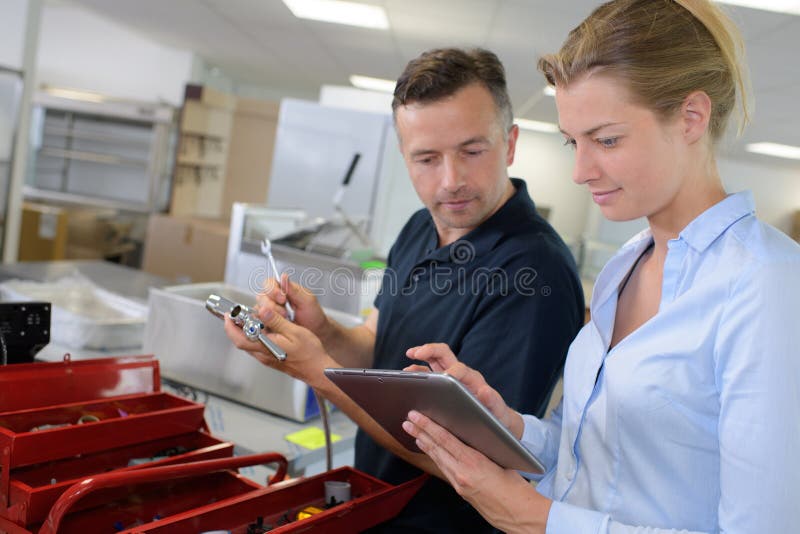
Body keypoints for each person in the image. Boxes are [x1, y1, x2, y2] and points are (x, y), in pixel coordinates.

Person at [397, 1, 800, 533]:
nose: (581, 171)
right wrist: (505, 423)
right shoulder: (625, 266)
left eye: (607, 140)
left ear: (691, 117)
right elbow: (586, 454)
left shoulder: (768, 285)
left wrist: (536, 521)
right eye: (574, 142)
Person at [227, 48, 585, 532]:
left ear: (511, 143)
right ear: (405, 158)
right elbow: (377, 348)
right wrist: (324, 332)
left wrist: (317, 370)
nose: (451, 180)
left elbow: (470, 459)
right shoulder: (420, 227)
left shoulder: (534, 269)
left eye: (472, 151)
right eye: (427, 158)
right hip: (375, 500)